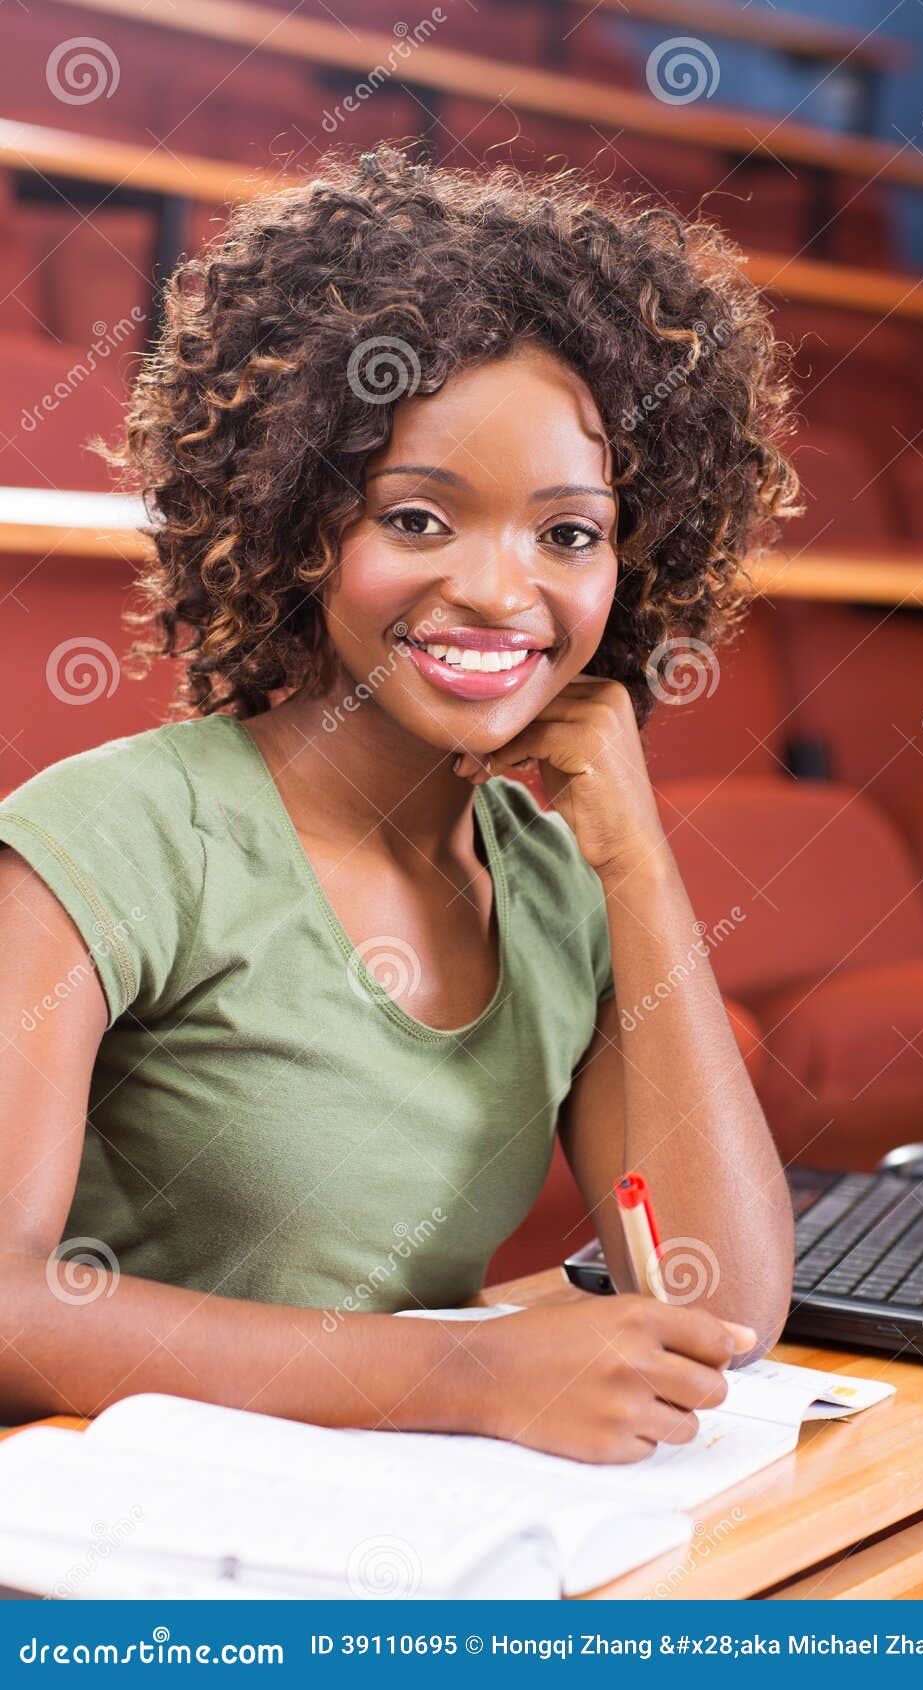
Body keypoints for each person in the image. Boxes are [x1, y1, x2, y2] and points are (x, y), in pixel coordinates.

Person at [0, 149, 795, 1463]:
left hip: (417, 1546)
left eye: (569, 532)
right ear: (297, 520)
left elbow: (718, 1306)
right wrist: (466, 1370)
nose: (500, 589)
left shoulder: (554, 882)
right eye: (420, 518)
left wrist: (638, 863)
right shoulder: (109, 840)